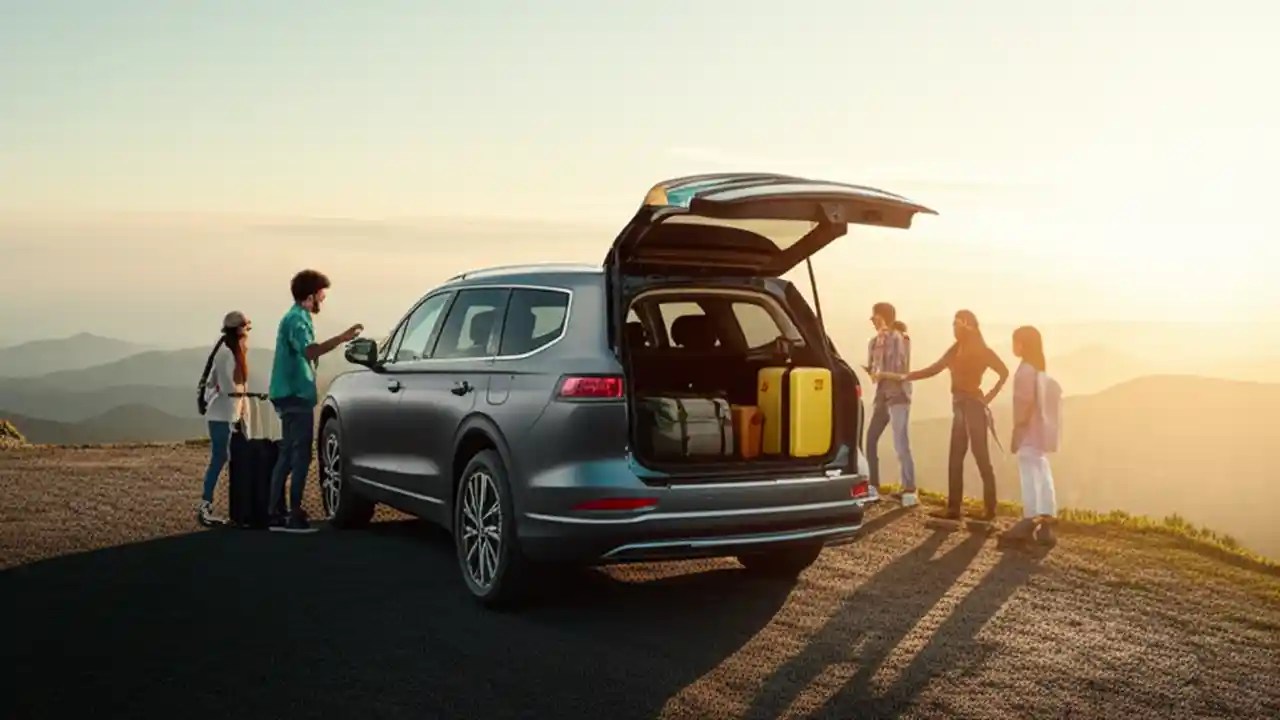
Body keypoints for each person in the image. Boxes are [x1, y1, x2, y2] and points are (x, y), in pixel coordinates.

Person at [267, 269, 363, 533]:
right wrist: (342, 338)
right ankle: (293, 515)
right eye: (321, 293)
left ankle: (275, 512)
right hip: (295, 394)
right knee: (300, 455)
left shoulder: (295, 317)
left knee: (288, 453)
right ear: (310, 295)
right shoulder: (297, 320)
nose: (323, 298)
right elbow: (309, 351)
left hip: (287, 393)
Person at [897, 310, 1009, 523]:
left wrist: (989, 397)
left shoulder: (982, 351)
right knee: (956, 457)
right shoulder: (956, 349)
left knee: (981, 457)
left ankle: (988, 509)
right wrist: (906, 376)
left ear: (967, 325)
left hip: (973, 406)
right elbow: (934, 369)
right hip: (959, 406)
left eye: (956, 324)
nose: (954, 328)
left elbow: (1004, 372)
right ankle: (954, 508)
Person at [1001, 326, 1059, 546]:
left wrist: (1017, 429)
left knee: (1029, 474)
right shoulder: (1039, 369)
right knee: (1042, 471)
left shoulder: (1025, 370)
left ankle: (1028, 521)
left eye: (1015, 342)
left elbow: (1023, 403)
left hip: (1028, 431)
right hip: (1041, 431)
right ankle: (1047, 520)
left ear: (1022, 345)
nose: (1013, 346)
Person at [198, 311, 250, 527]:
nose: (248, 334)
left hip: (227, 413)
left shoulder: (227, 351)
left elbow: (217, 383)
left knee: (224, 457)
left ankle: (220, 504)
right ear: (239, 331)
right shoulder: (228, 354)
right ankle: (206, 504)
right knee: (220, 457)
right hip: (222, 414)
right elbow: (231, 387)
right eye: (246, 329)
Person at [863, 302, 918, 507]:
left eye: (875, 317)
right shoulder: (873, 342)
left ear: (884, 318)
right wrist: (872, 373)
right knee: (870, 439)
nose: (873, 321)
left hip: (898, 395)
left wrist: (882, 374)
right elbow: (874, 369)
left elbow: (902, 373)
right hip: (882, 396)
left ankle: (909, 489)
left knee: (900, 442)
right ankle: (873, 485)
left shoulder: (900, 339)